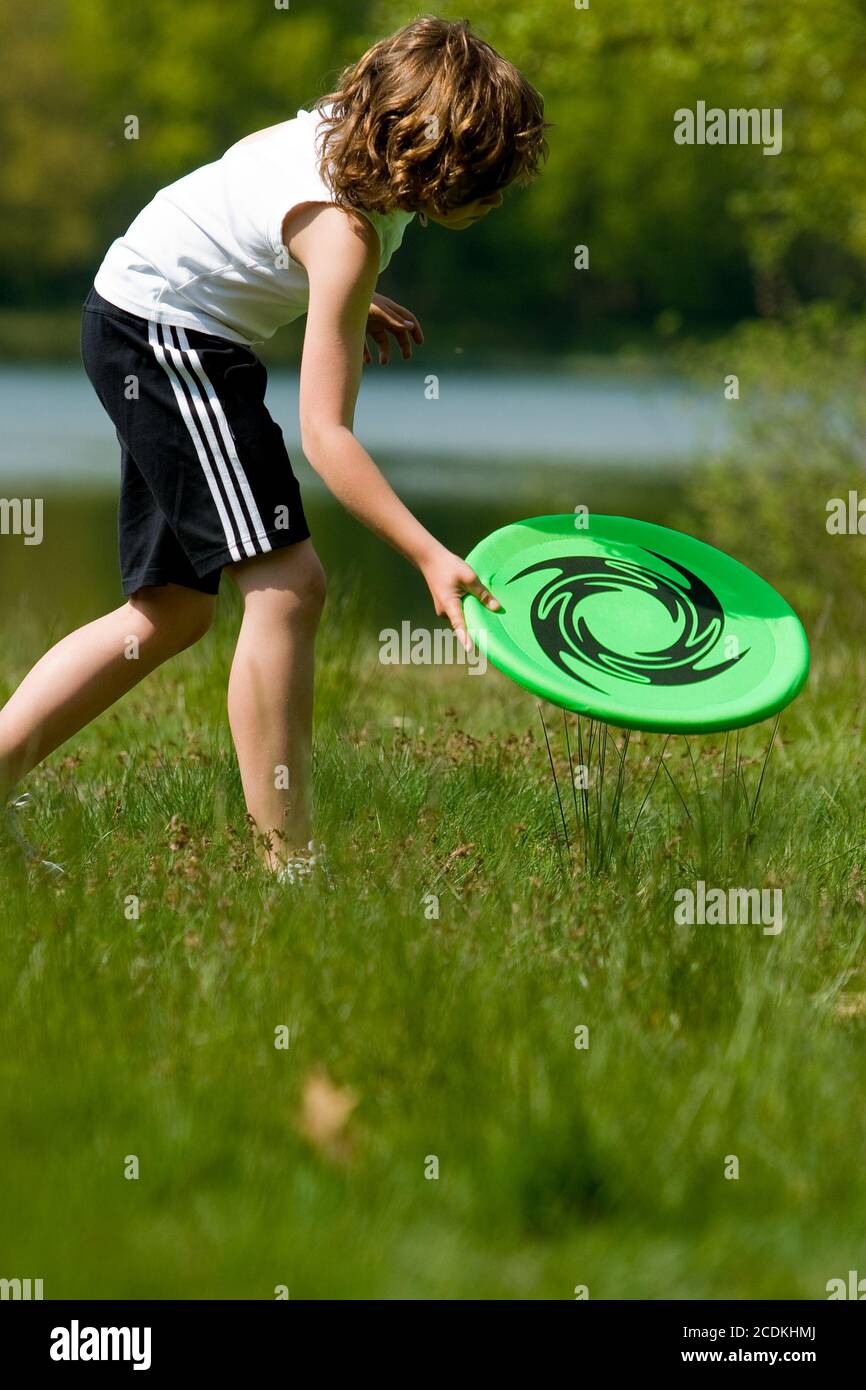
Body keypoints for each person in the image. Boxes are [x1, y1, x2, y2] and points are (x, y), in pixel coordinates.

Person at [0, 16, 547, 879]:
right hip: (166, 338)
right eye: (494, 181)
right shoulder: (347, 236)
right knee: (290, 586)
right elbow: (327, 438)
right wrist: (430, 554)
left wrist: (336, 292)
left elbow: (255, 197)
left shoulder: (345, 137)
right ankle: (289, 864)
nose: (501, 197)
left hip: (138, 312)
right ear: (437, 168)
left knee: (173, 613)